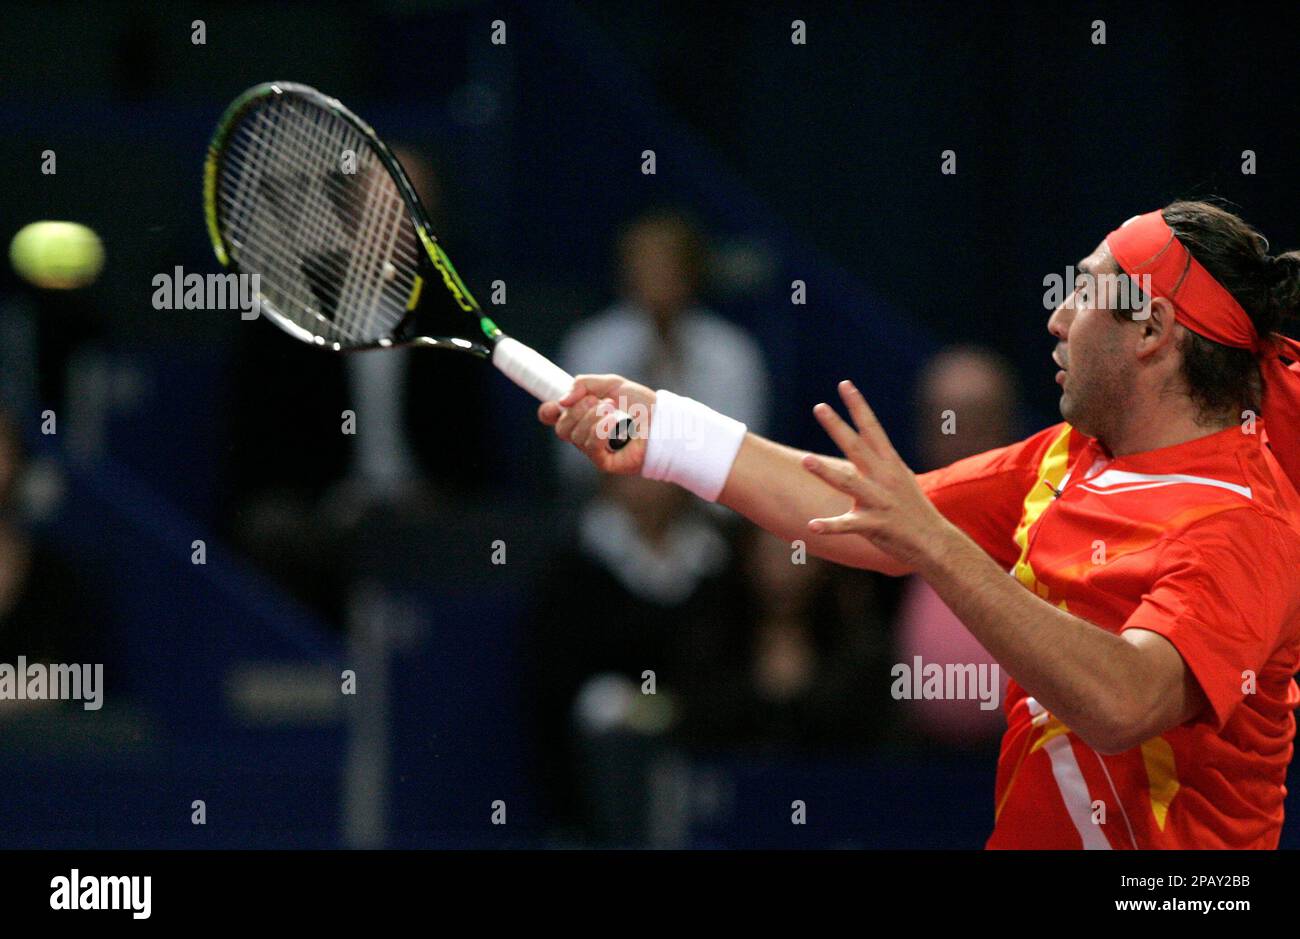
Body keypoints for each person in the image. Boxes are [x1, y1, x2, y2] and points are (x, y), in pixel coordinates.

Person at [538, 200, 1300, 850]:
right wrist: (666, 432)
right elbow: (864, 520)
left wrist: (936, 545)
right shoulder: (1069, 458)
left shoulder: (1244, 524)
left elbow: (1125, 701)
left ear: (1151, 330)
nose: (1057, 315)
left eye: (1086, 292)